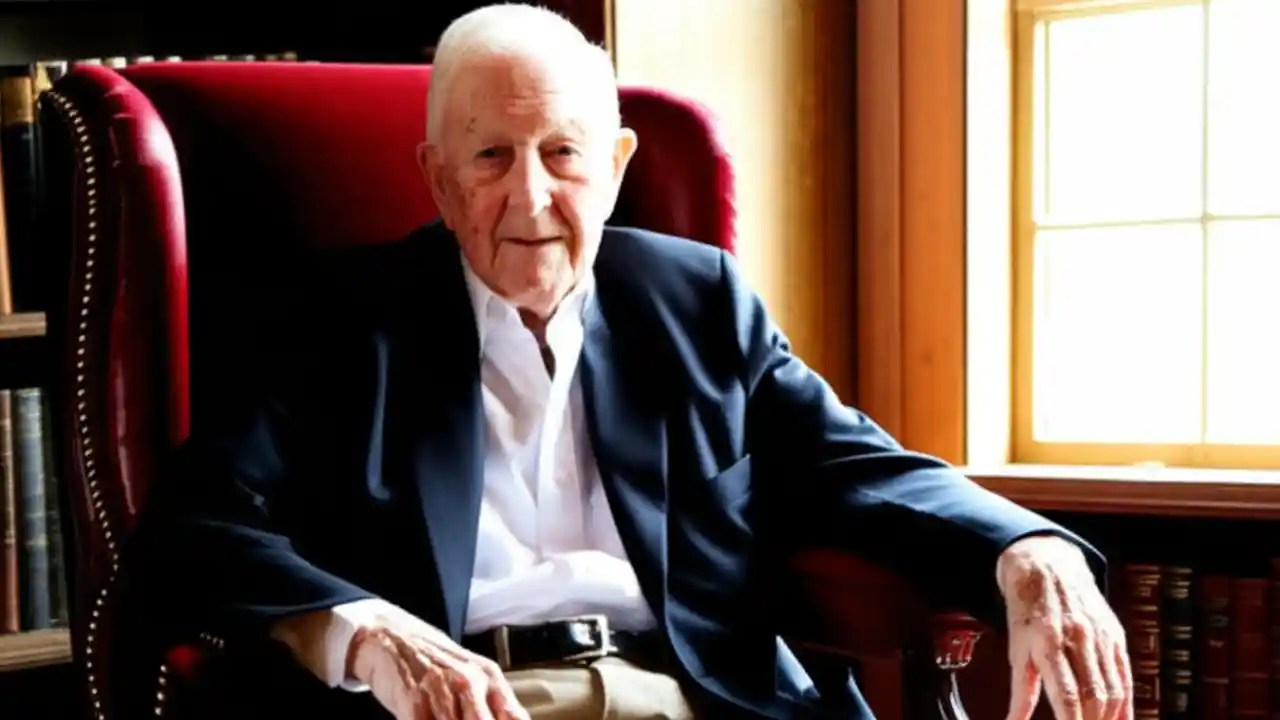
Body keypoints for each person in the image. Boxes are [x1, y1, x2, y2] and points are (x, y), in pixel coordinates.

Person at [114, 3, 1132, 719]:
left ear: (615, 166)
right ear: (432, 176)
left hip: (696, 693)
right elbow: (192, 532)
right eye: (487, 156)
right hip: (469, 702)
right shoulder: (336, 319)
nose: (529, 197)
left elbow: (846, 466)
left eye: (561, 153)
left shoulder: (693, 300)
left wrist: (1022, 549)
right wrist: (369, 635)